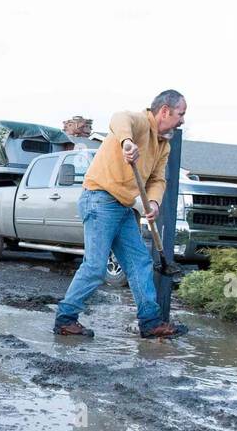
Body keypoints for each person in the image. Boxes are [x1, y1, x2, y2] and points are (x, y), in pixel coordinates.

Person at [52, 90, 188, 339]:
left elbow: (158, 178)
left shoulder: (163, 145)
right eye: (181, 114)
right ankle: (65, 319)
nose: (182, 120)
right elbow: (118, 118)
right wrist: (127, 142)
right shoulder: (137, 122)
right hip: (100, 198)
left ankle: (150, 322)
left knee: (140, 263)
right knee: (95, 266)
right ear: (165, 111)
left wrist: (154, 202)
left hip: (123, 205)